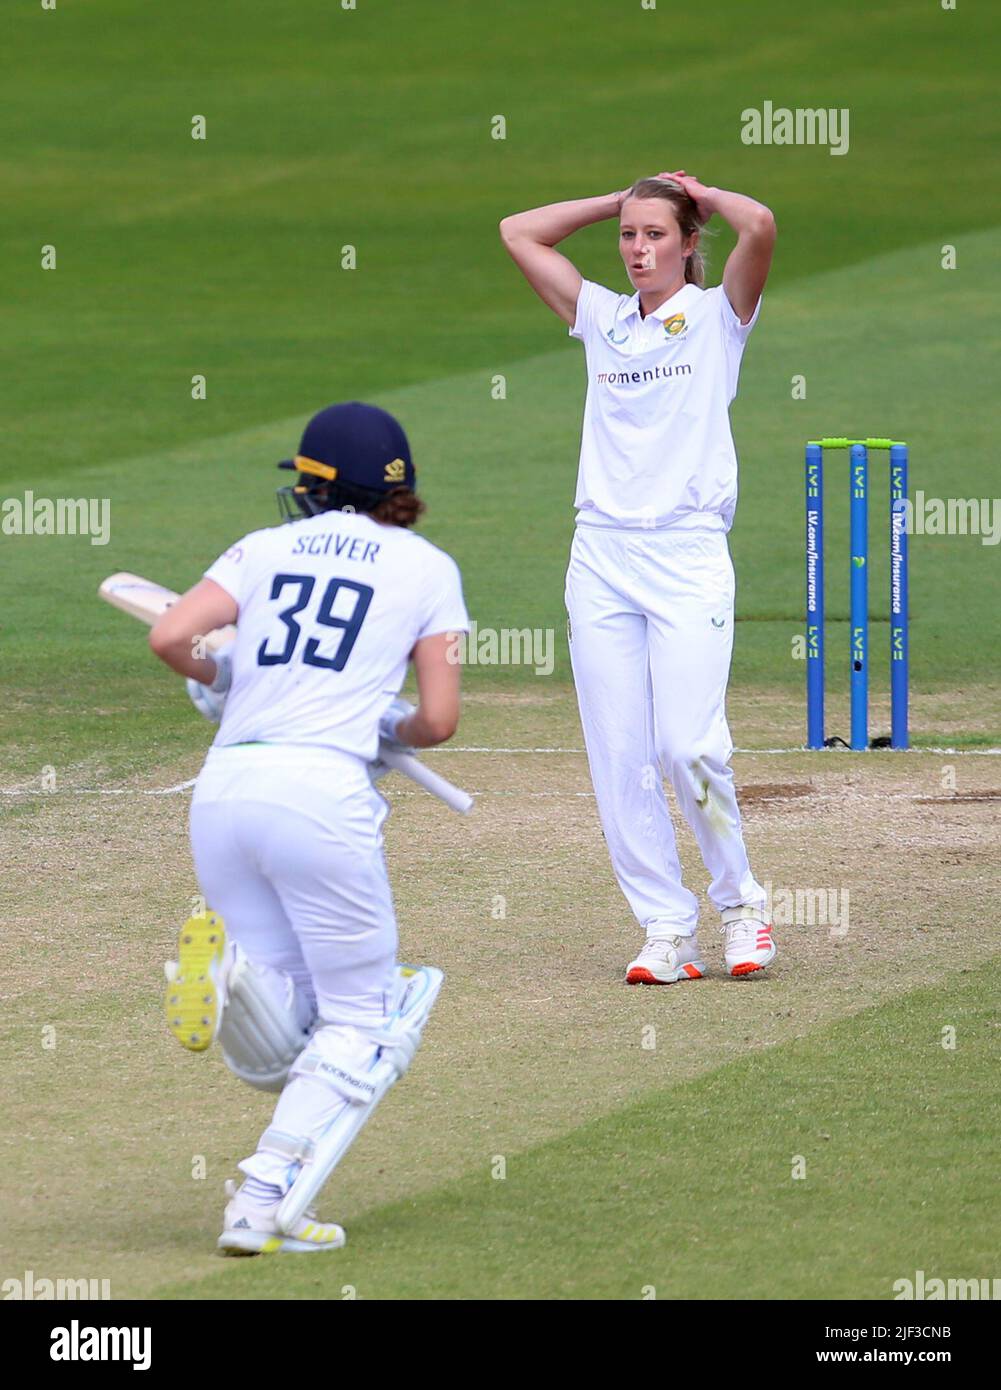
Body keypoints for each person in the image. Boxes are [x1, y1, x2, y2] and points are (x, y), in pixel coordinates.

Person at [149, 401, 469, 1252]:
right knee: (363, 1019)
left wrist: (220, 677)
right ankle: (257, 1198)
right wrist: (384, 727)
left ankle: (229, 979)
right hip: (320, 793)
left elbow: (172, 636)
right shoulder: (427, 567)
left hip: (225, 790)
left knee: (292, 1028)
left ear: (316, 484)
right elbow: (437, 721)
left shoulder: (263, 548)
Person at [500, 172, 777, 983]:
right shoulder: (601, 318)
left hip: (687, 551)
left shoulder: (717, 316)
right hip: (601, 555)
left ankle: (741, 907)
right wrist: (617, 199)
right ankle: (665, 927)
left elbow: (758, 224)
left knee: (687, 747)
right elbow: (519, 229)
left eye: (656, 235)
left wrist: (701, 192)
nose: (637, 250)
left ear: (690, 244)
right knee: (618, 754)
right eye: (628, 236)